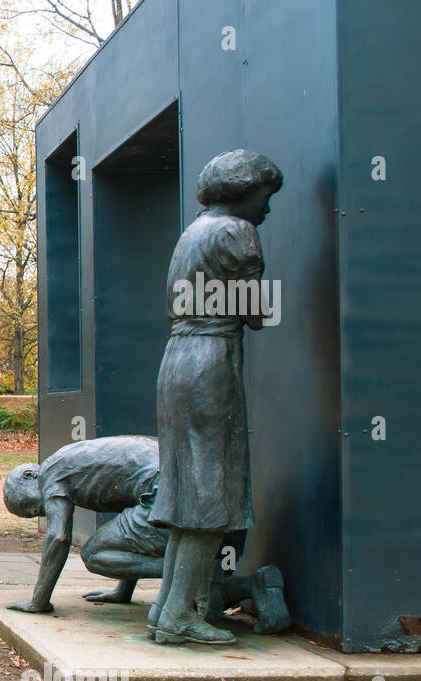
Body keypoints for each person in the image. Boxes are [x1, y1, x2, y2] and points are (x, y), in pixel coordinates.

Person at [148, 150, 283, 645]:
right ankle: (179, 614)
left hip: (178, 359)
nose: (267, 210)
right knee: (210, 493)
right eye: (265, 198)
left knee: (186, 489)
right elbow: (256, 314)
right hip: (211, 360)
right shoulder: (236, 231)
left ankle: (167, 607)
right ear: (244, 191)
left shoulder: (193, 232)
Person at [3, 435, 288, 633]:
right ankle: (256, 585)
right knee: (210, 607)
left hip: (167, 495)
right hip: (196, 487)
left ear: (30, 477)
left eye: (29, 505)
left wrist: (38, 601)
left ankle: (196, 574)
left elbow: (58, 538)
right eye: (31, 514)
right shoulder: (77, 459)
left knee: (93, 554)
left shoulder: (52, 472)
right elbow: (130, 533)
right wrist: (122, 591)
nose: (39, 511)